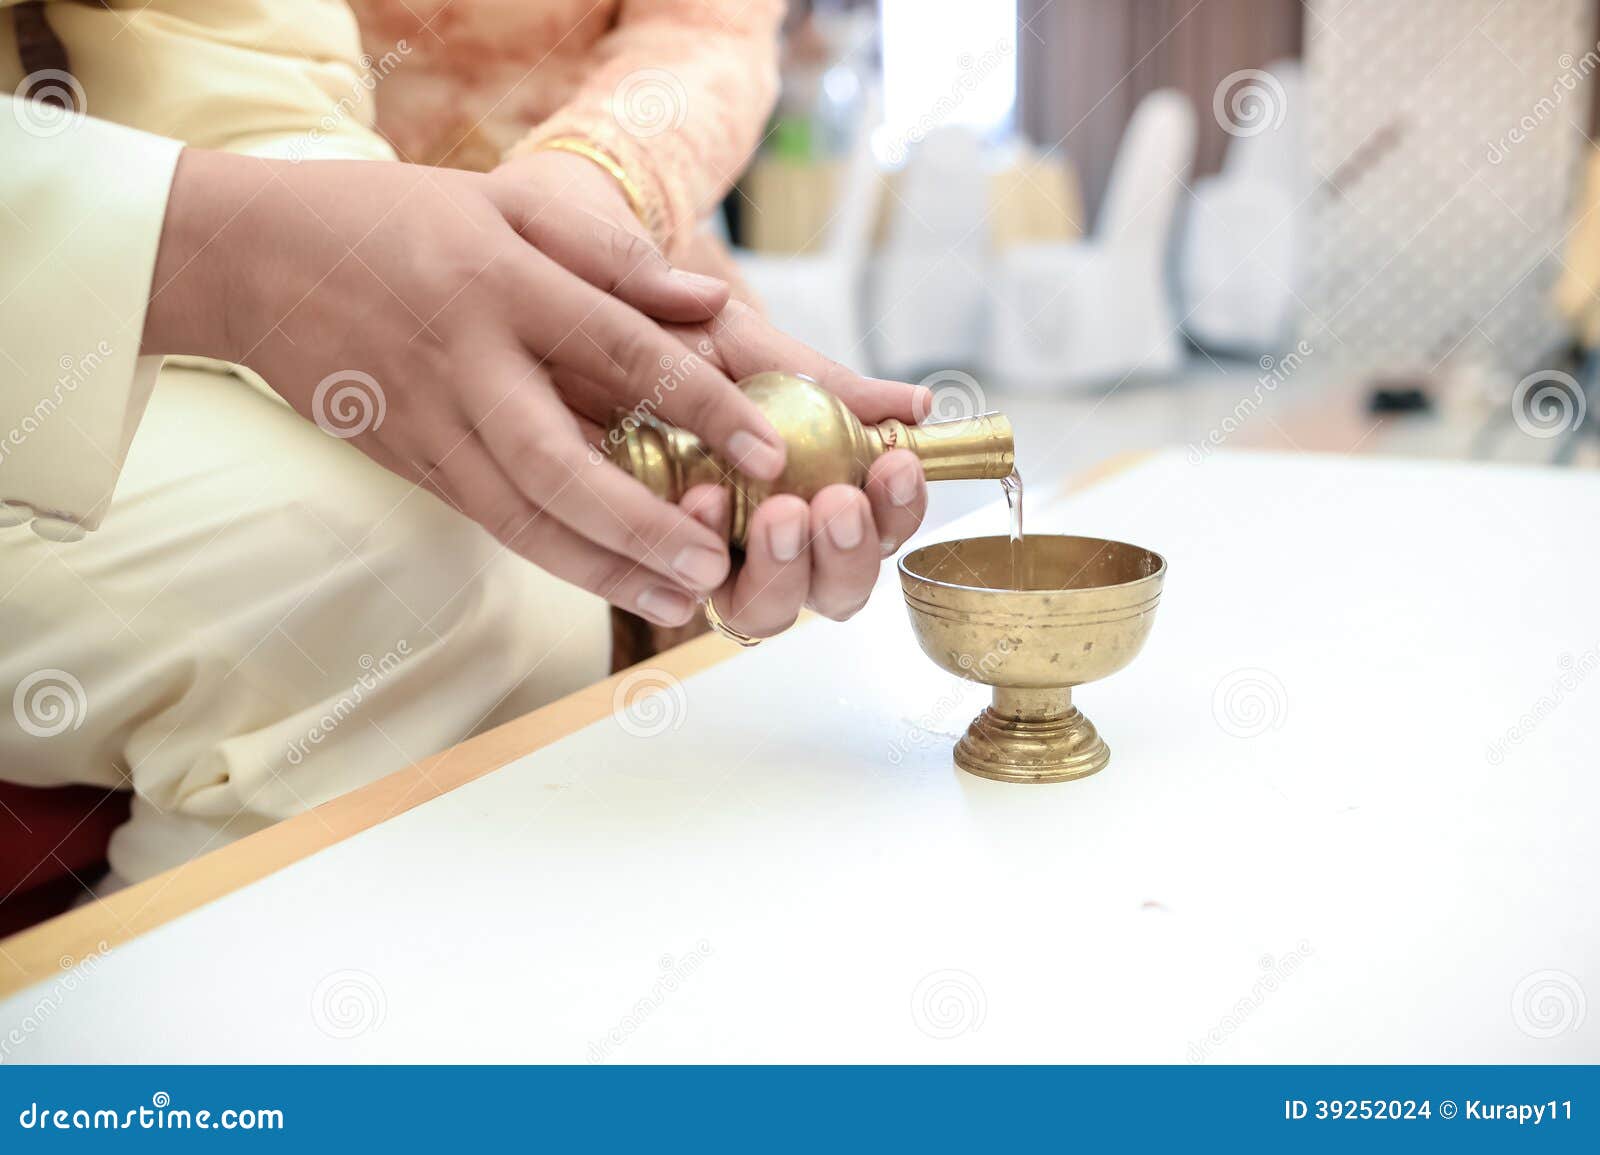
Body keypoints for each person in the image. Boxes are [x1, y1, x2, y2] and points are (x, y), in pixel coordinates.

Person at [0, 0, 929, 890]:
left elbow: (222, 63)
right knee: (422, 573)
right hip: (306, 259)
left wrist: (546, 225)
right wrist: (236, 246)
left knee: (592, 582)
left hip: (548, 255)